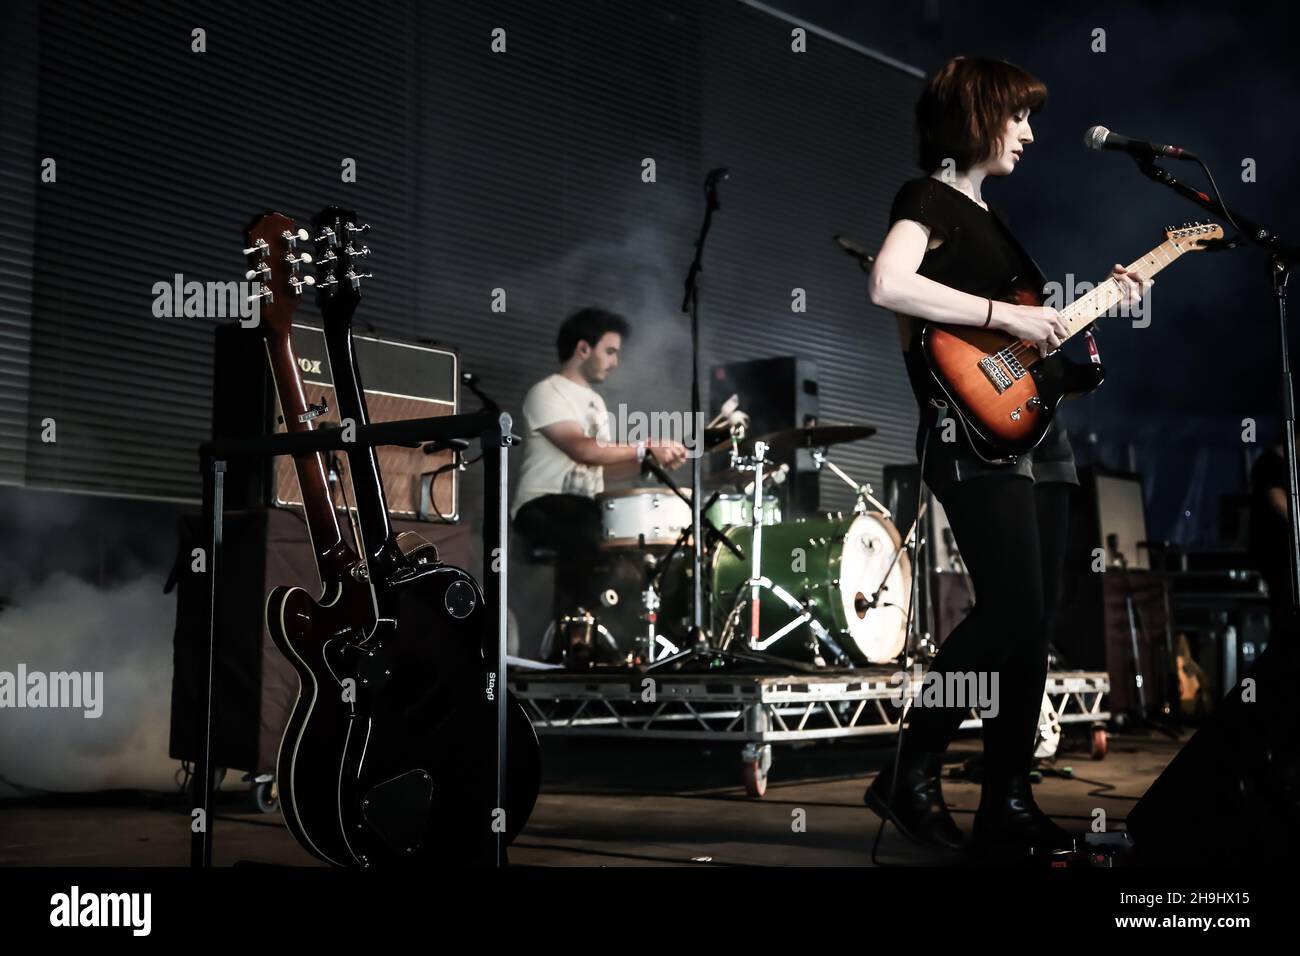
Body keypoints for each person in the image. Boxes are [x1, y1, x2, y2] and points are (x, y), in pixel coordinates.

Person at [863, 56, 1150, 857]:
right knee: (1011, 611)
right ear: (979, 115)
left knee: (1032, 628)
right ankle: (909, 767)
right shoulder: (927, 198)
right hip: (968, 436)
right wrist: (1011, 317)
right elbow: (889, 284)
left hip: (1035, 436)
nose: (1028, 133)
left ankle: (1007, 803)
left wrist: (1085, 330)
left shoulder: (995, 223)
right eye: (1018, 117)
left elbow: (1028, 357)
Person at [512, 308, 688, 643]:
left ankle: (627, 645)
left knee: (645, 554)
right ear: (582, 349)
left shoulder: (595, 403)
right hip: (540, 508)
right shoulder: (547, 392)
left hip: (584, 509)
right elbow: (583, 449)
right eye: (610, 351)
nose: (616, 361)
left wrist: (648, 463)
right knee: (589, 532)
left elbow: (602, 469)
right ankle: (572, 644)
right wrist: (645, 447)